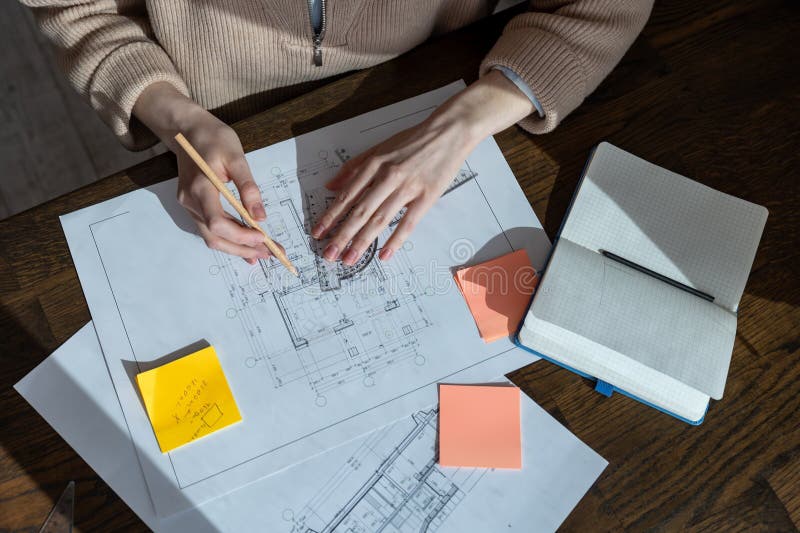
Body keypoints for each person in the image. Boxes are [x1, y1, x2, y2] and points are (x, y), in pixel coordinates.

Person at [22, 0, 652, 265]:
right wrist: (175, 115)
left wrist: (463, 120)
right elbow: (79, 11)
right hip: (211, 112)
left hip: (429, 82)